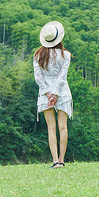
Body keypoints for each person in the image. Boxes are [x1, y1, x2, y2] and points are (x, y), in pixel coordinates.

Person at [33, 21, 73, 169]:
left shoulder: (38, 55)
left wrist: (49, 94)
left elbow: (38, 78)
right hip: (62, 91)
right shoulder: (66, 55)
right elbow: (62, 77)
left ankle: (55, 161)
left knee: (51, 128)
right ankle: (62, 160)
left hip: (45, 93)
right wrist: (55, 94)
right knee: (63, 127)